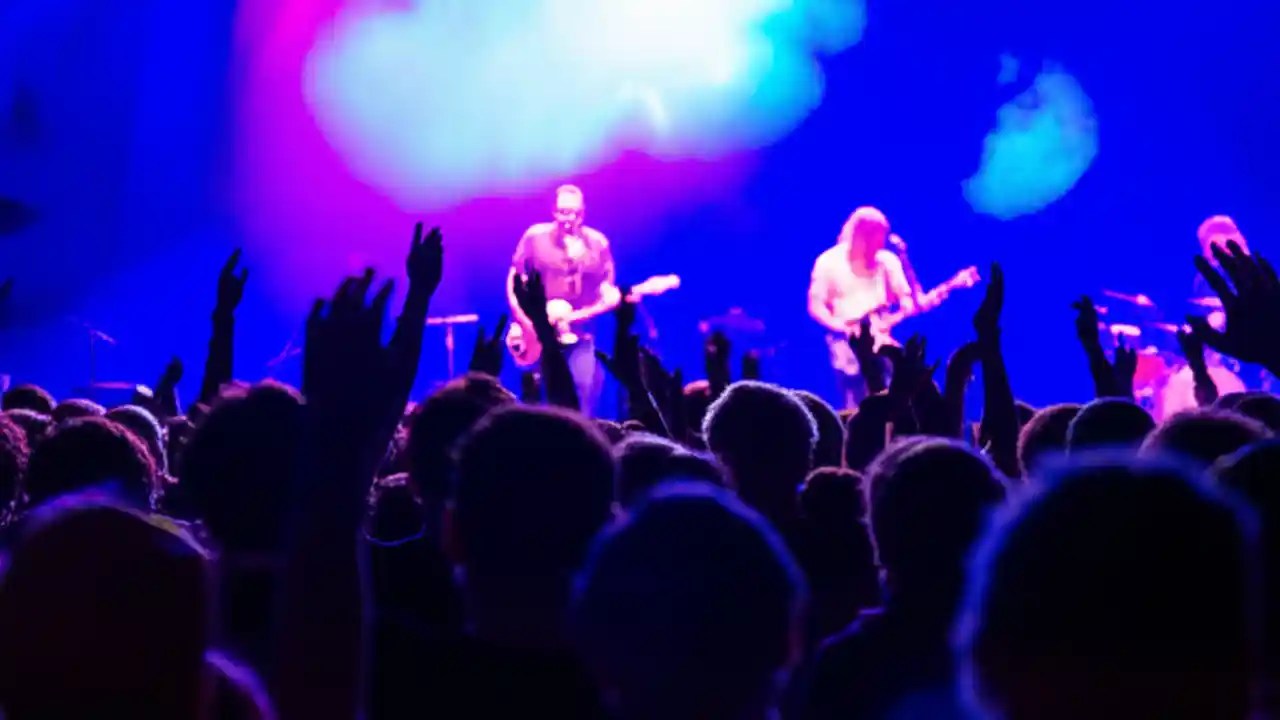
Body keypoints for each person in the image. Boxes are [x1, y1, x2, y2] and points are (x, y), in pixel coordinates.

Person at [508, 185, 620, 415]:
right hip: (536, 331)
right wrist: (527, 322)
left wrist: (577, 316)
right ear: (553, 211)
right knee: (534, 398)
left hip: (579, 333)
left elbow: (607, 290)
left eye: (575, 213)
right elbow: (513, 280)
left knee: (579, 395)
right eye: (563, 212)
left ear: (583, 213)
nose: (569, 219)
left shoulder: (596, 244)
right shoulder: (535, 237)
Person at [808, 207, 916, 408]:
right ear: (858, 235)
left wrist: (894, 318)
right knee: (854, 389)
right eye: (873, 240)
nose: (877, 247)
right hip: (845, 339)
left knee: (897, 384)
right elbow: (816, 305)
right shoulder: (828, 262)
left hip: (882, 336)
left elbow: (906, 300)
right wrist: (842, 326)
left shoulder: (887, 261)